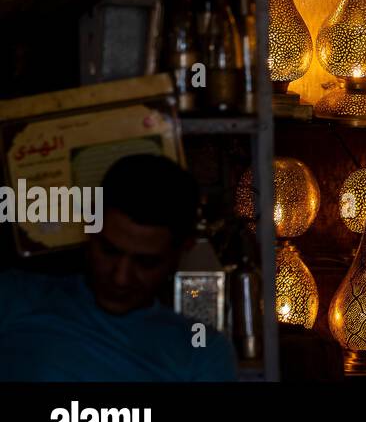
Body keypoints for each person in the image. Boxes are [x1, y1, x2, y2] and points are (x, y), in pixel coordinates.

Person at [0, 153, 237, 381]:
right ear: (90, 226)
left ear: (183, 249)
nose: (120, 278)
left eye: (146, 263)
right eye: (109, 251)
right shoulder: (17, 297)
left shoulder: (201, 350)